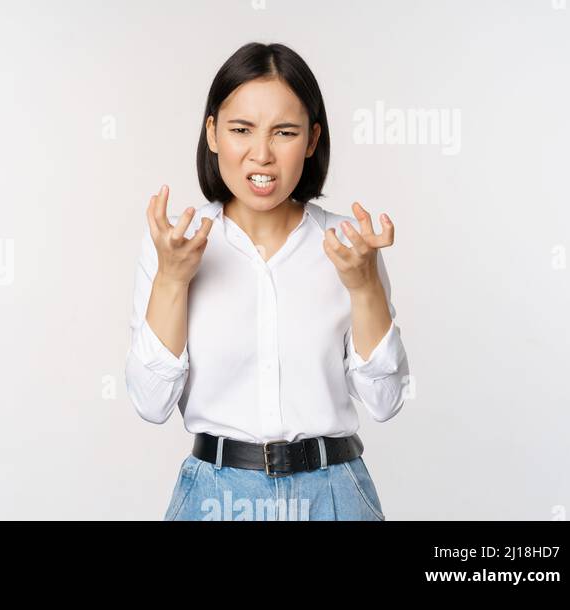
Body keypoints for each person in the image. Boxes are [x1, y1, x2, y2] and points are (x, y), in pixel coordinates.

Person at [125, 42, 410, 521]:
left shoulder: (348, 244)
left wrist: (364, 287)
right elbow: (151, 404)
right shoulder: (175, 243)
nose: (262, 155)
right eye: (241, 130)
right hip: (214, 496)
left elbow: (385, 402)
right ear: (213, 133)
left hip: (334, 494)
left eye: (284, 132)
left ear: (312, 139)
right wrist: (172, 279)